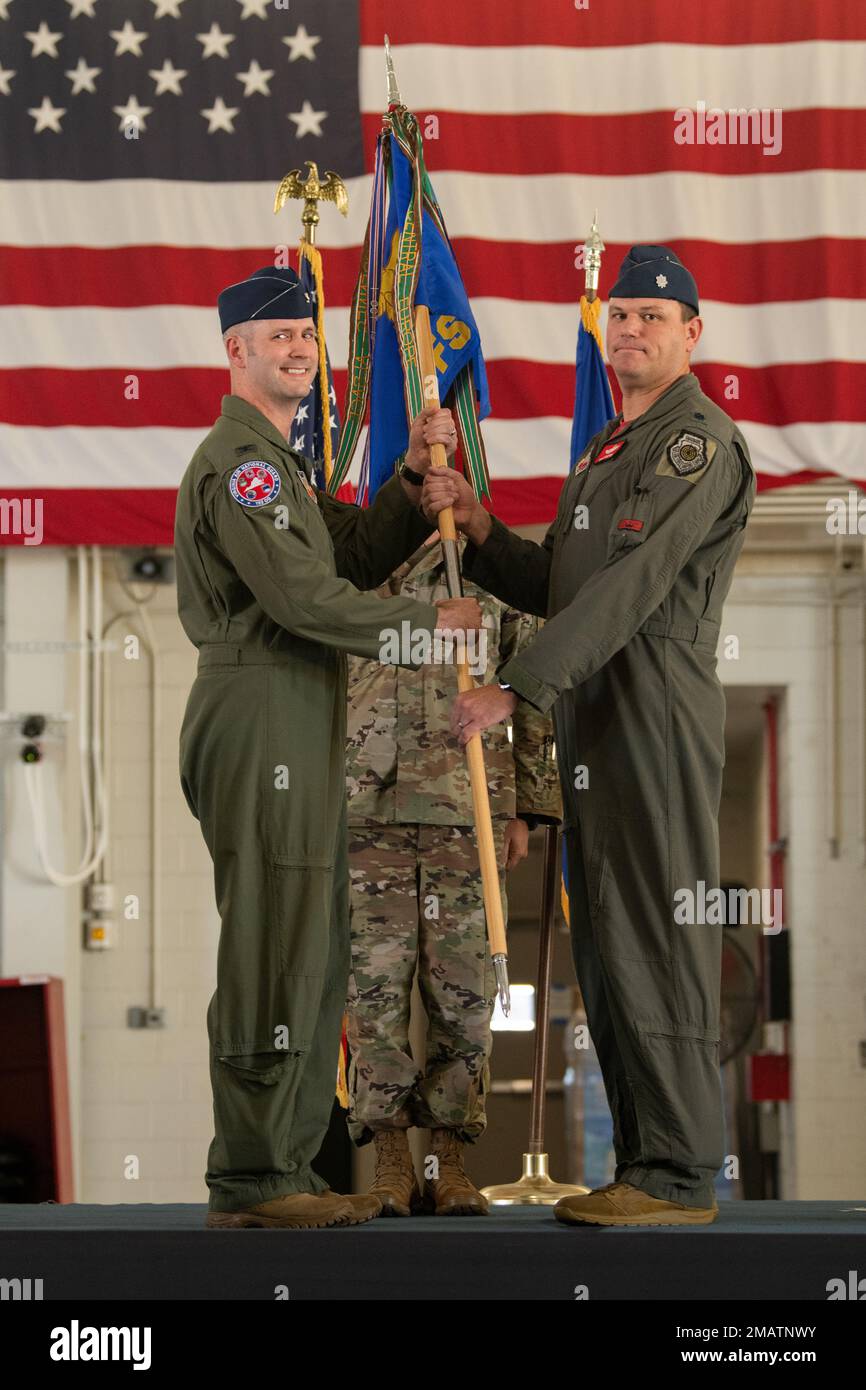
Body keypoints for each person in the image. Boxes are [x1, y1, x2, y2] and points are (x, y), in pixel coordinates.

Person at [421, 245, 756, 1227]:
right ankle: (647, 1162)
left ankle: (681, 1172)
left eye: (653, 316)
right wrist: (482, 532)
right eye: (619, 316)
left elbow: (629, 589)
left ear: (691, 333)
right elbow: (562, 588)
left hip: (648, 710)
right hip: (593, 716)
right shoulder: (612, 447)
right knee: (608, 944)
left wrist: (514, 686)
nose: (631, 330)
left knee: (654, 932)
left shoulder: (694, 442)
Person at [174, 264, 481, 1229]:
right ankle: (257, 1180)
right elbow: (304, 599)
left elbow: (339, 557)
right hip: (262, 699)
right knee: (274, 944)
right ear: (235, 351)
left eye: (308, 334)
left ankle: (288, 1168)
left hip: (298, 705)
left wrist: (404, 484)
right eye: (278, 337)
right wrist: (432, 629)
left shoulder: (282, 465)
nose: (302, 348)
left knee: (310, 945)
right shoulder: (247, 464)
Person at [344, 530, 561, 1214]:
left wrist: (525, 808)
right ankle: (388, 1163)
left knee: (465, 997)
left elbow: (529, 693)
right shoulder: (353, 569)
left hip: (468, 811)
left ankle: (449, 1162)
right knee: (372, 994)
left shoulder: (492, 575)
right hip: (364, 809)